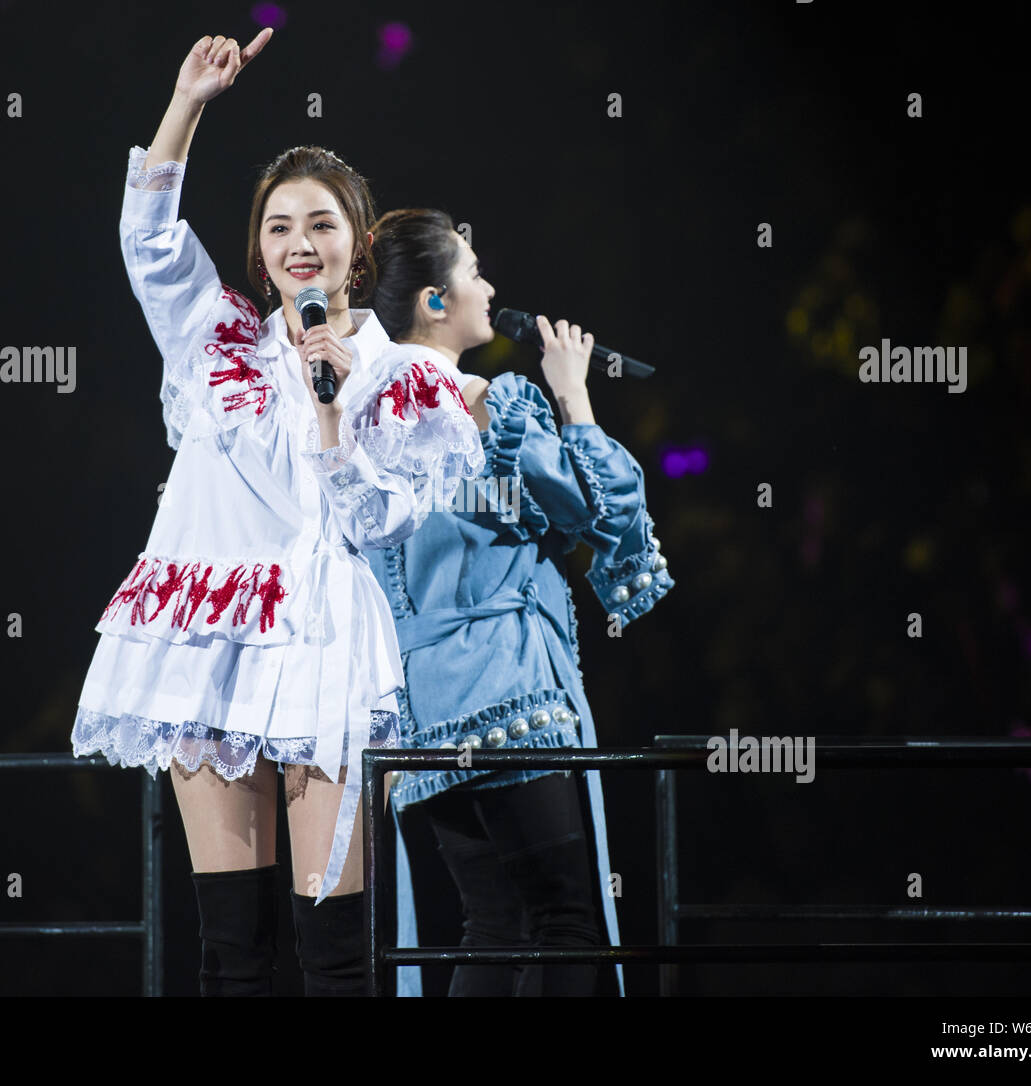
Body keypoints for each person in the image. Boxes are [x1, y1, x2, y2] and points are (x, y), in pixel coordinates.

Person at [71, 33, 483, 996]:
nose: (301, 242)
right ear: (259, 250)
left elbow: (382, 524)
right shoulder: (216, 339)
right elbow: (151, 240)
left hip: (320, 649)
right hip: (206, 636)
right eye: (281, 226)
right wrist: (188, 100)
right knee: (231, 951)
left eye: (323, 225)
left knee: (336, 952)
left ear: (359, 244)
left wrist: (335, 411)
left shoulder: (400, 377)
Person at [365, 209, 675, 996]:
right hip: (507, 690)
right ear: (435, 300)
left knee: (492, 922)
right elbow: (593, 513)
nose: (490, 287)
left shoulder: (361, 408)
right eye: (474, 272)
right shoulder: (486, 402)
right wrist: (573, 397)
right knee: (565, 921)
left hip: (421, 708)